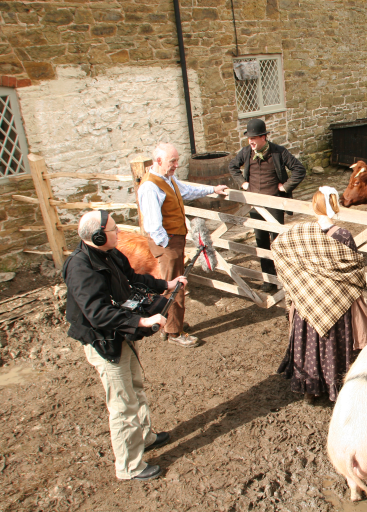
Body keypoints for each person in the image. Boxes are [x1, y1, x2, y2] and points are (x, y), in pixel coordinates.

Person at [62, 210, 190, 481]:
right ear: (97, 236)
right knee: (122, 405)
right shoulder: (81, 268)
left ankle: (145, 436)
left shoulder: (111, 254)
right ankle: (129, 467)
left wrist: (166, 283)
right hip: (103, 341)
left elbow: (134, 279)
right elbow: (97, 314)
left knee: (135, 387)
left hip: (120, 334)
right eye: (113, 231)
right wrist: (142, 321)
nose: (119, 234)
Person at [271, 187, 367, 403]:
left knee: (309, 343)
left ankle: (310, 389)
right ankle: (335, 388)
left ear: (314, 205)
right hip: (336, 304)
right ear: (334, 204)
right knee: (333, 344)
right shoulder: (343, 235)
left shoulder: (299, 233)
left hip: (307, 301)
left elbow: (279, 249)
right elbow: (354, 270)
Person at [137, 143, 228, 348]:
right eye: (172, 161)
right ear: (158, 161)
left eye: (177, 160)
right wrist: (168, 245)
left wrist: (212, 189)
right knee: (175, 286)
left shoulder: (167, 179)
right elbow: (152, 224)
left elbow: (186, 190)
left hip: (173, 241)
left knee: (174, 284)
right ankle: (173, 332)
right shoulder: (150, 186)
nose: (176, 165)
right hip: (167, 243)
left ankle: (169, 323)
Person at [229, 118, 306, 293]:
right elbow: (232, 166)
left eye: (254, 137)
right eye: (249, 138)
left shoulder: (279, 153)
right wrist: (243, 183)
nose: (251, 141)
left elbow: (299, 169)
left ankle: (283, 278)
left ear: (264, 137)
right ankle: (268, 280)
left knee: (277, 242)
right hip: (256, 206)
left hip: (274, 205)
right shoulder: (246, 152)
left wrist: (285, 187)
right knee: (261, 242)